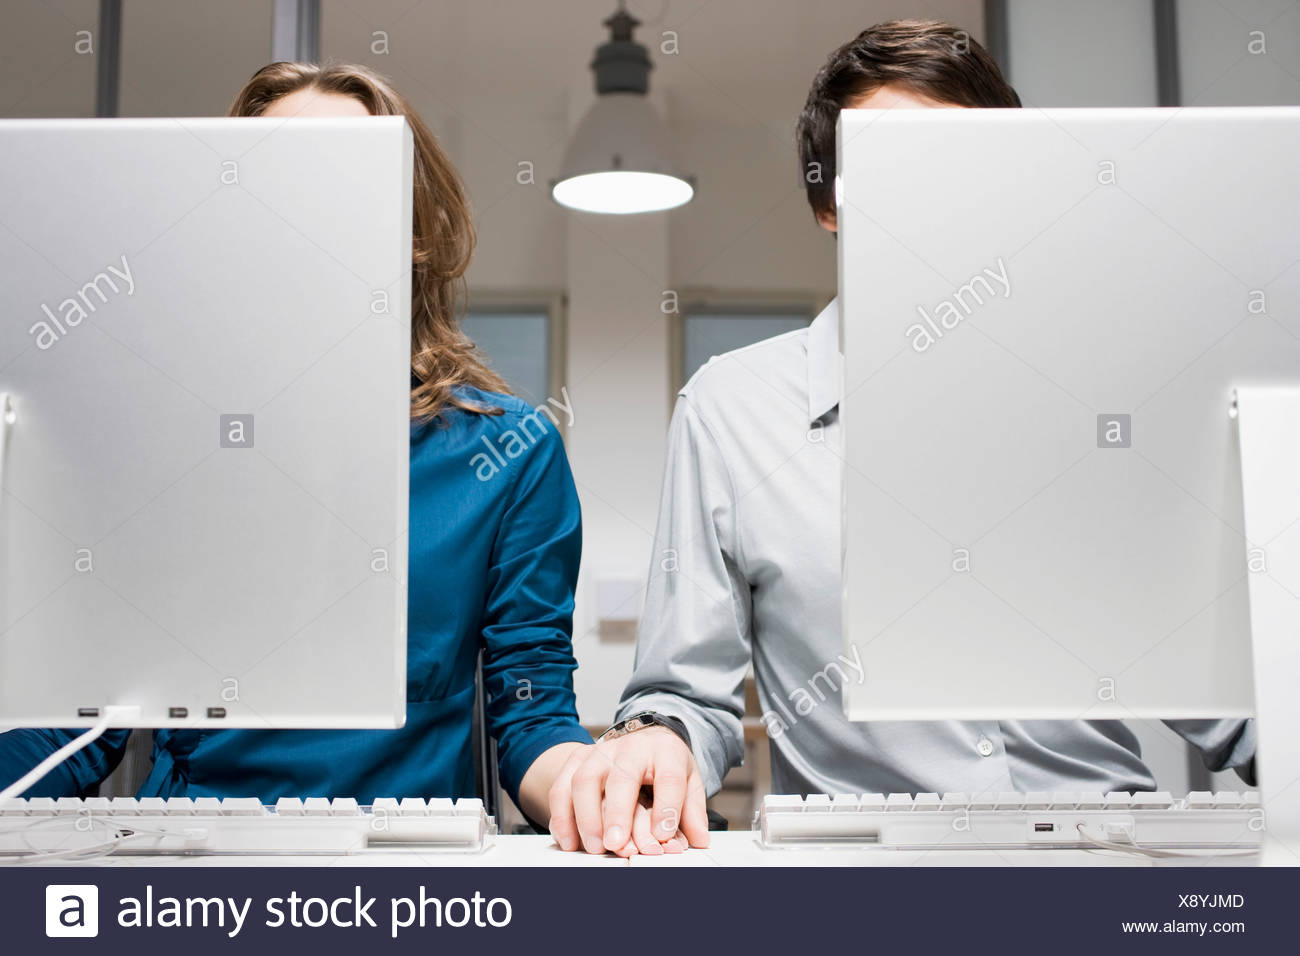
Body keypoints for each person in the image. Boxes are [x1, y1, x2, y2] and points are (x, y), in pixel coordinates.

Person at [547, 19, 1256, 857]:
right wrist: (656, 737)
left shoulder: (1106, 401)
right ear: (827, 205)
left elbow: (1238, 705)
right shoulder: (731, 410)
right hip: (872, 870)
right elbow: (687, 695)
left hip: (1108, 852)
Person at [0, 62, 591, 826]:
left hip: (403, 877)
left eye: (338, 187)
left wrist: (590, 783)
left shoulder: (508, 452)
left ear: (413, 234)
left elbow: (533, 708)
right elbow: (78, 725)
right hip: (190, 868)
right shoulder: (159, 445)